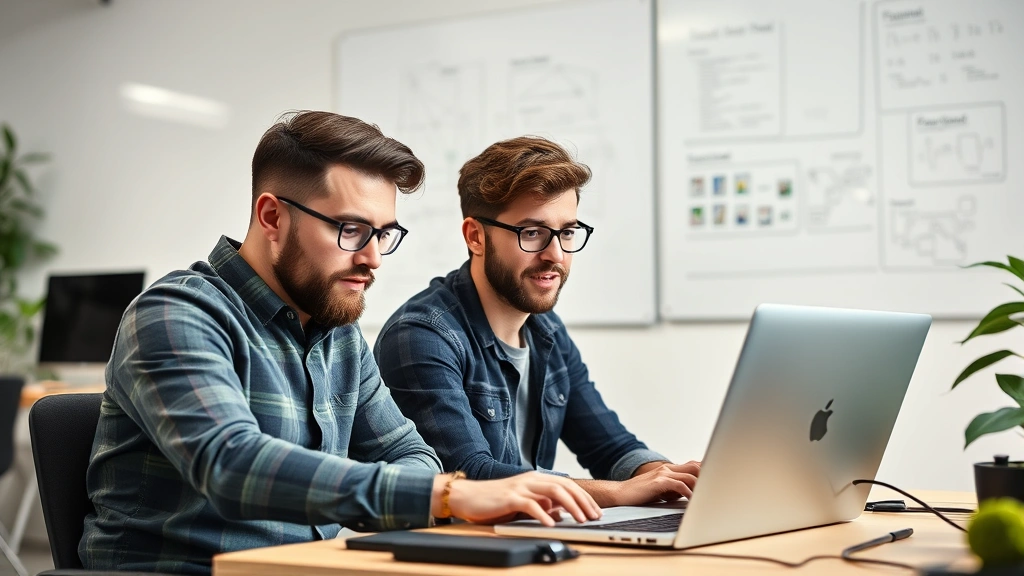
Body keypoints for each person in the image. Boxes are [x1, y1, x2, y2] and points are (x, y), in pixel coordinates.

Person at [80, 113, 600, 575]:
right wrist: (447, 495)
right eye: (351, 230)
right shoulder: (175, 314)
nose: (373, 258)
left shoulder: (339, 336)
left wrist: (429, 487)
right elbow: (230, 463)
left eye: (383, 234)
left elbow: (412, 454)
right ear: (271, 217)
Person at [374, 136, 701, 508]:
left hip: (531, 535)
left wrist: (673, 479)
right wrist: (618, 493)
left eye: (566, 232)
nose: (556, 255)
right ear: (475, 236)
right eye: (532, 233)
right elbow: (468, 477)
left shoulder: (547, 331)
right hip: (460, 551)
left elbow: (611, 448)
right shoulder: (422, 335)